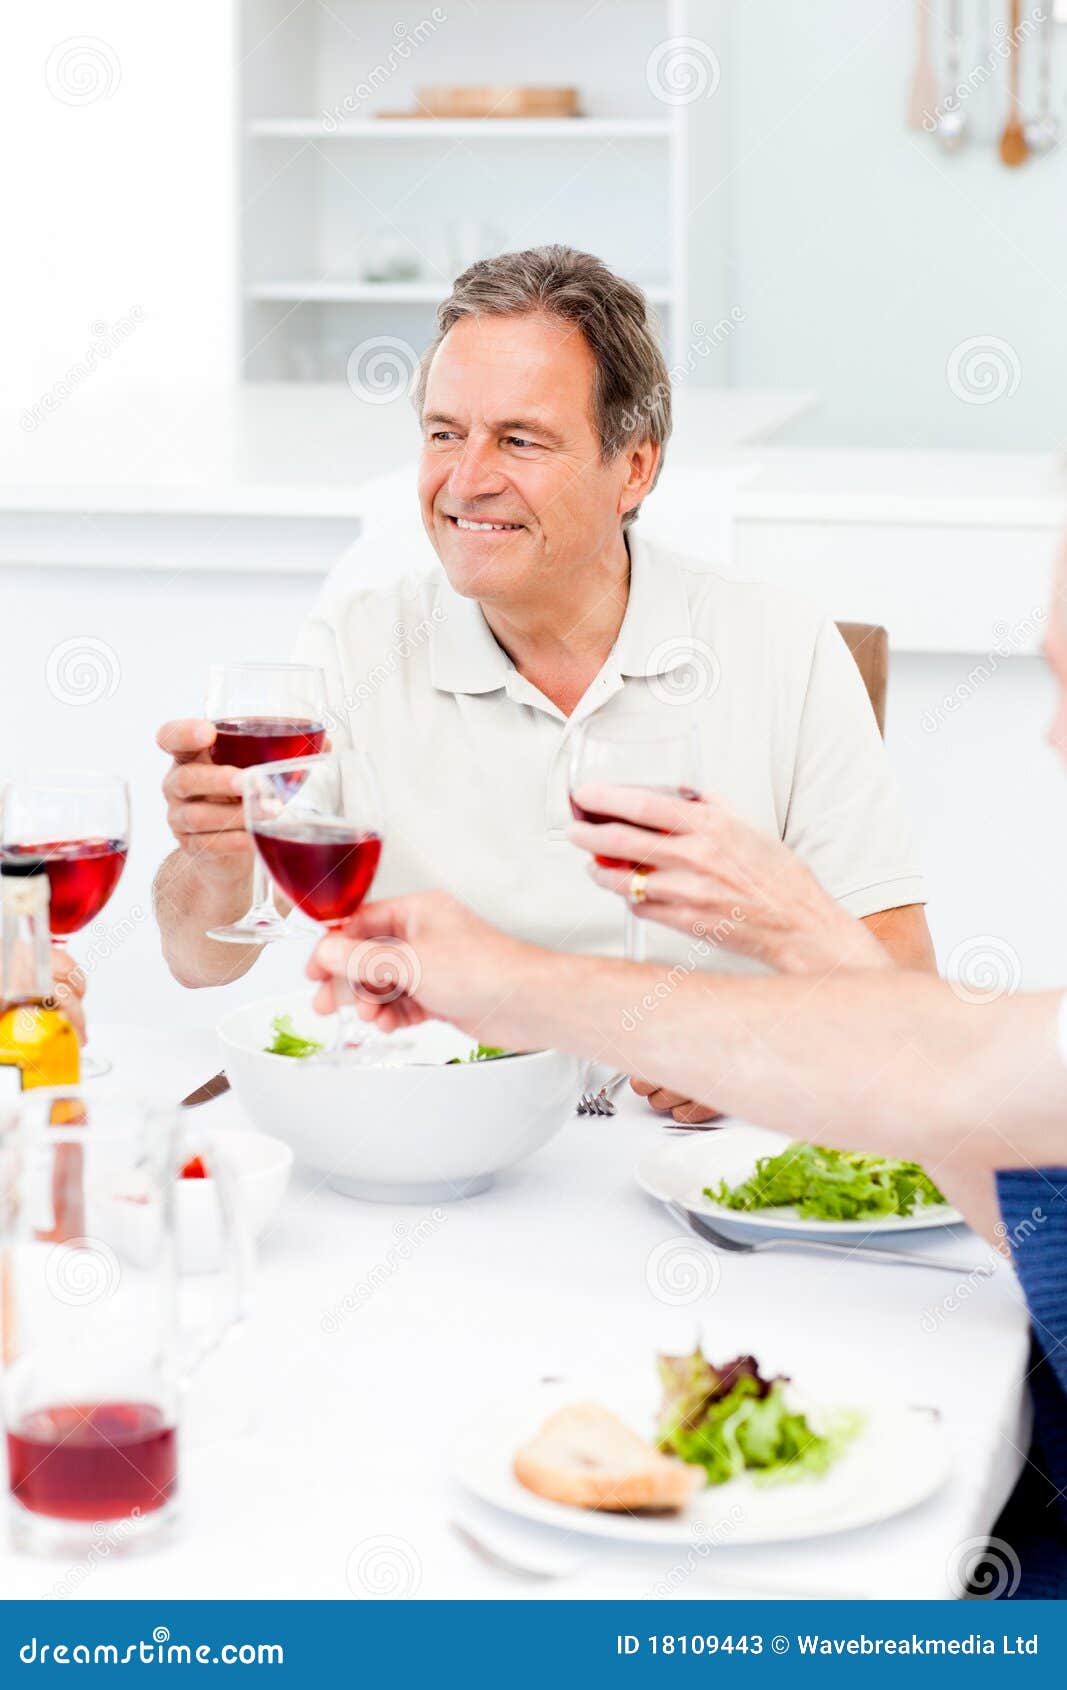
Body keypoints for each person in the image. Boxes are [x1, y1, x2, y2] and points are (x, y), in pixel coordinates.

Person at [305, 551, 1067, 1598]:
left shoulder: (769, 640)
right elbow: (996, 1119)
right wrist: (810, 947)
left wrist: (524, 980)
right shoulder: (363, 644)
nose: (1051, 734)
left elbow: (980, 1072)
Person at [154, 244, 934, 1121]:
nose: (467, 480)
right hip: (440, 1139)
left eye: (519, 440)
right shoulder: (358, 640)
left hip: (696, 1160)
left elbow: (904, 989)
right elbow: (197, 958)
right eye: (444, 432)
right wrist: (214, 859)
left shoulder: (778, 645)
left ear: (633, 467)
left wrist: (767, 1047)